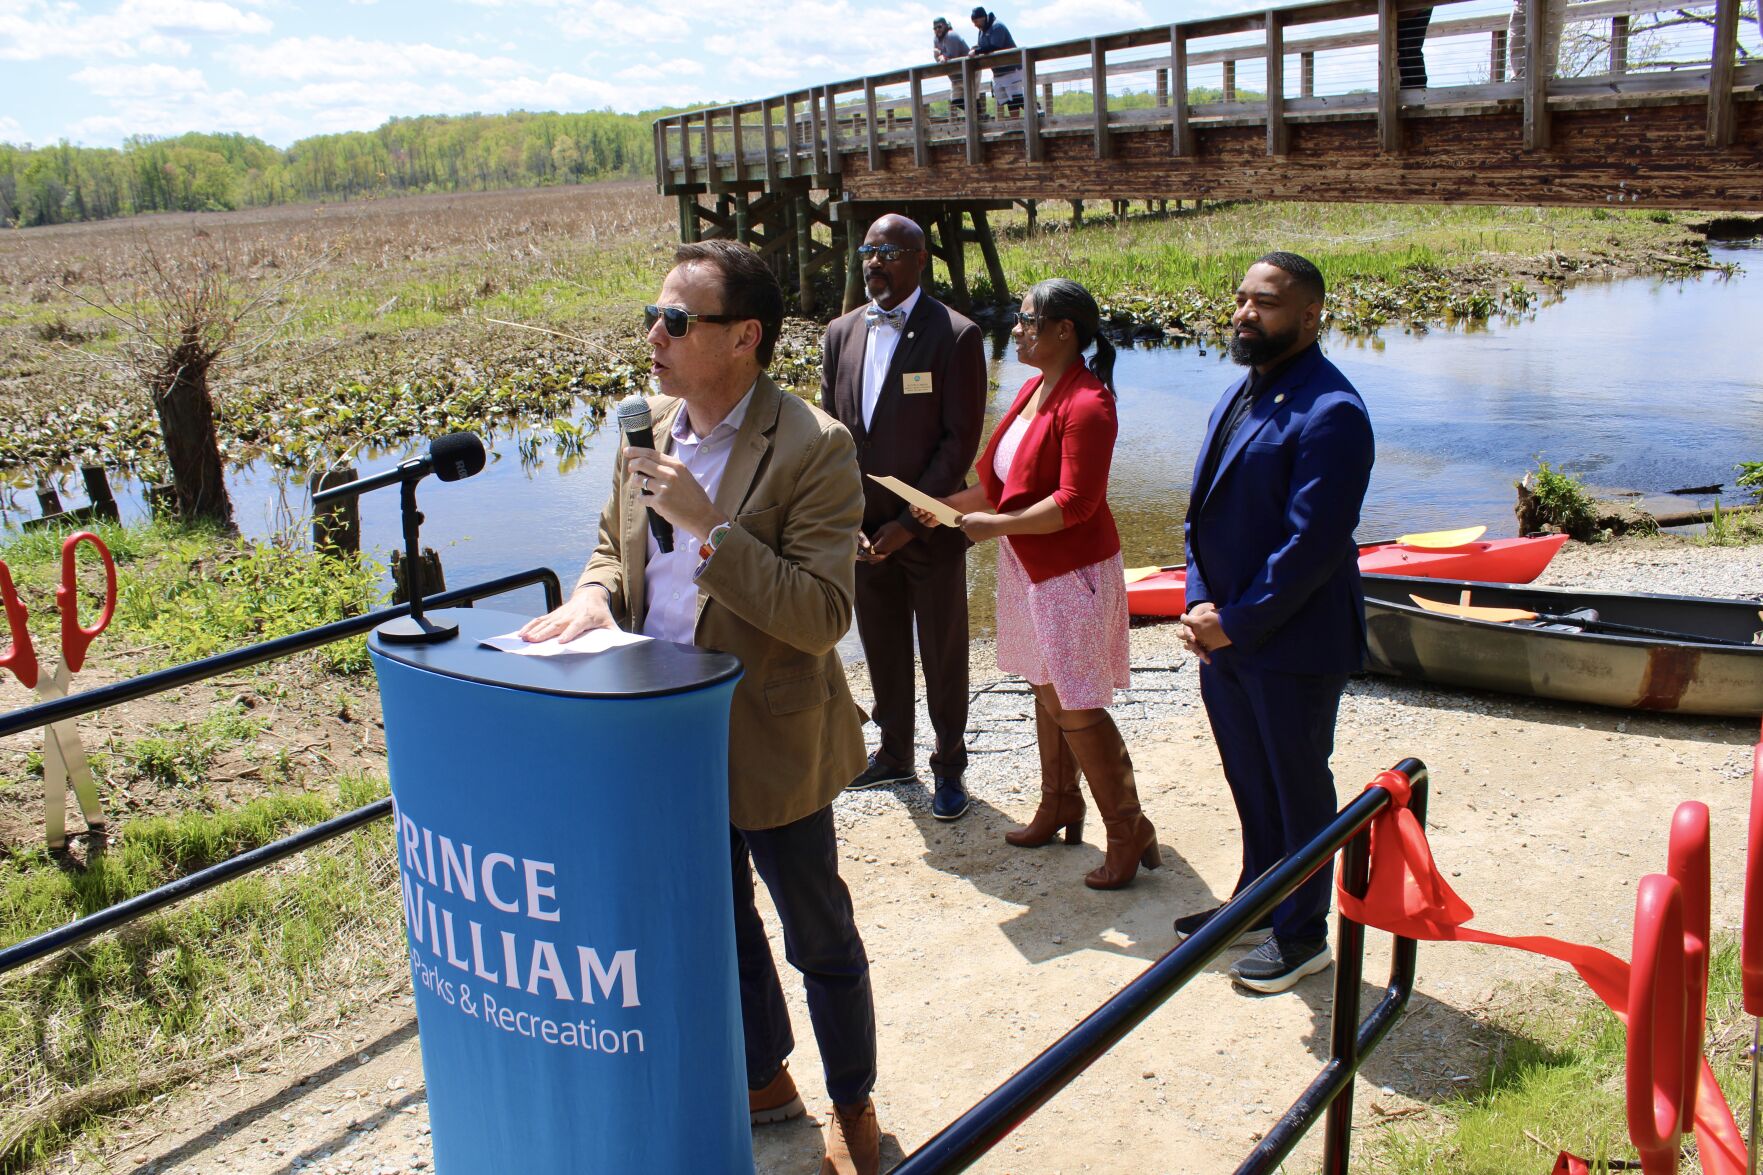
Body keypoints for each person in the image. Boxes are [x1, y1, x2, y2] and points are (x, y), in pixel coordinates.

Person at [518, 240, 882, 1175]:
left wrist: (710, 528)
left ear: (743, 337)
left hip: (771, 729)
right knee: (716, 918)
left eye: (677, 322)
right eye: (655, 315)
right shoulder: (650, 433)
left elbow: (821, 614)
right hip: (665, 735)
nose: (654, 335)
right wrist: (597, 594)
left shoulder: (815, 445)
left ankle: (853, 1103)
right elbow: (612, 546)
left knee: (819, 934)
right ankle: (765, 1076)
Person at [911, 279, 1159, 890]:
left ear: (1064, 331)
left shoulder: (1090, 404)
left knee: (1075, 698)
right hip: (1028, 564)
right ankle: (1060, 804)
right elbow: (1001, 487)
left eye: (1027, 321)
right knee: (1046, 684)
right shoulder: (1031, 390)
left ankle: (1128, 828)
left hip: (1072, 573)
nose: (1016, 329)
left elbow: (1076, 503)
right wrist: (943, 504)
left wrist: (990, 526)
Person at [1173, 252, 1375, 995]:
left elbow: (1311, 546)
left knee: (1295, 786)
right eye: (1240, 298)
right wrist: (1200, 605)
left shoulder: (1333, 411)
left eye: (1265, 302)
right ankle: (1257, 903)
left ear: (1310, 314)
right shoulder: (1240, 393)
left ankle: (1302, 935)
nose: (1245, 312)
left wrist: (1237, 620)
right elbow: (1199, 517)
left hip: (1292, 640)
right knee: (1247, 776)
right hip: (1223, 633)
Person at [821, 214, 987, 820]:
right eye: (867, 250)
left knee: (943, 653)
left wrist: (910, 524)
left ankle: (949, 766)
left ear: (921, 259)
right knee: (882, 645)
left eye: (889, 251)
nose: (874, 262)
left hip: (930, 531)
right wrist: (847, 520)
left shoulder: (957, 334)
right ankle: (894, 754)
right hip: (863, 534)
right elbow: (831, 437)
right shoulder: (839, 334)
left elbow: (958, 443)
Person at [969, 7, 1025, 118]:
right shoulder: (981, 32)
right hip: (999, 72)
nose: (975, 25)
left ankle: (1037, 111)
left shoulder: (997, 26)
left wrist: (976, 51)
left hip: (1012, 69)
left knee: (1016, 98)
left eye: (976, 21)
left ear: (982, 17)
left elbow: (995, 46)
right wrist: (976, 48)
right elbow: (982, 47)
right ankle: (1016, 126)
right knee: (1009, 100)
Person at [932, 17, 971, 118]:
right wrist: (939, 56)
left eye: (939, 26)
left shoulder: (951, 35)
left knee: (971, 99)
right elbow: (940, 60)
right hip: (955, 76)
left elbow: (952, 56)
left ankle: (978, 118)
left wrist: (941, 55)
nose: (937, 30)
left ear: (945, 25)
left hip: (969, 72)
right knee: (956, 100)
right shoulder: (936, 39)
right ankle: (977, 115)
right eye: (935, 28)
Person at [1396, 7, 1432, 90]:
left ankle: (1418, 92)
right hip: (1399, 9)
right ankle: (1407, 92)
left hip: (1420, 6)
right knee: (1401, 50)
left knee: (1410, 47)